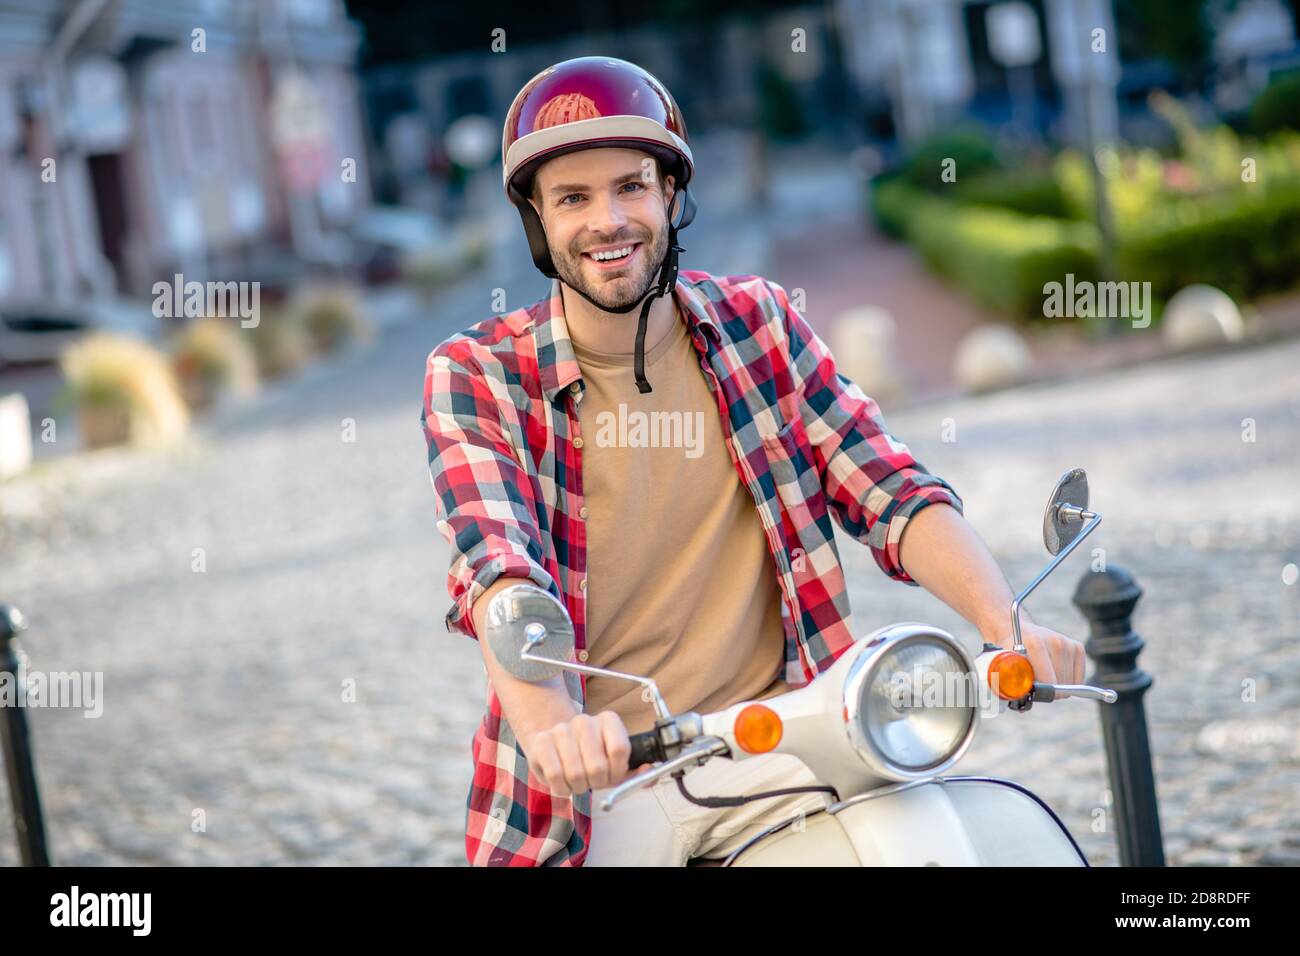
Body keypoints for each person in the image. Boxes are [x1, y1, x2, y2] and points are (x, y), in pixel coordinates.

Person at [420, 56, 1086, 867]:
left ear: (670, 193)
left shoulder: (759, 324)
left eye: (631, 186)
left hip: (793, 743)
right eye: (572, 198)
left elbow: (892, 489)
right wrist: (555, 729)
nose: (607, 220)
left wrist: (1003, 619)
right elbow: (498, 567)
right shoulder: (480, 373)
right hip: (605, 788)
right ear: (537, 219)